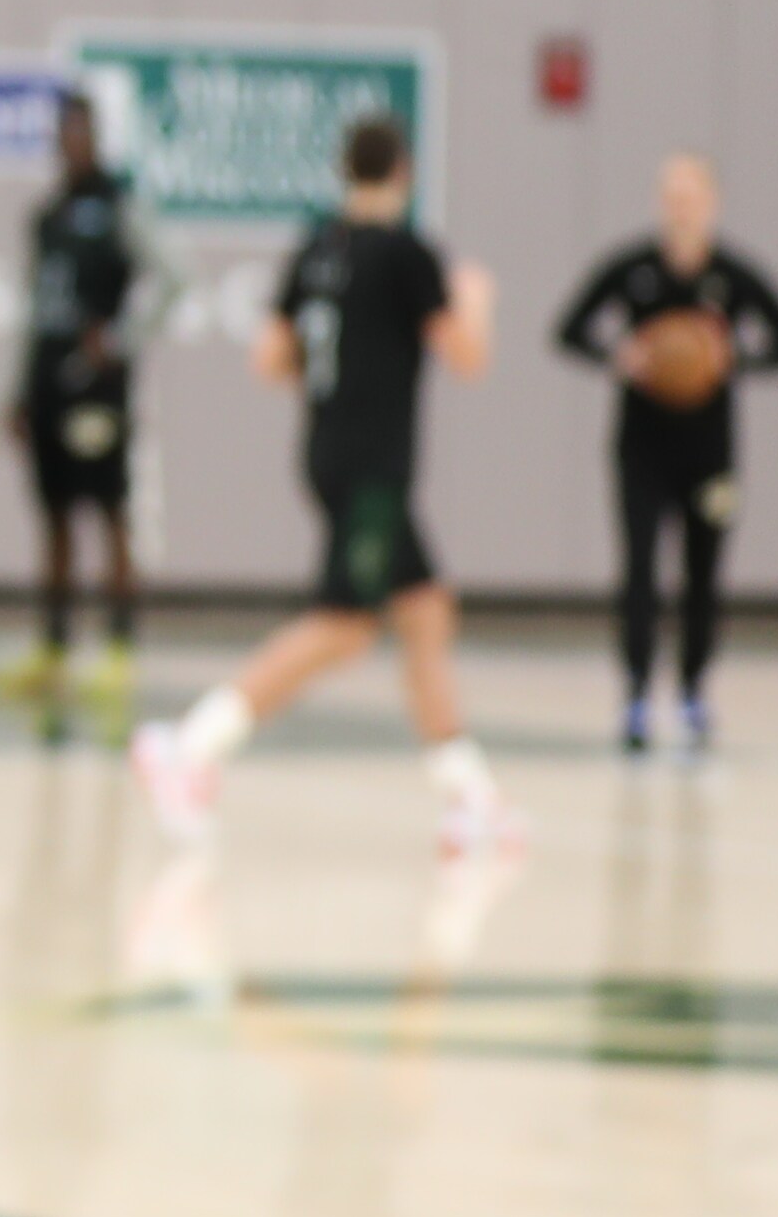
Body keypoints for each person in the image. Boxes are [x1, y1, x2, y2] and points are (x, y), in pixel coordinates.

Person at [132, 114, 507, 855]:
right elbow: (466, 354)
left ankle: (467, 794)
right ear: (403, 170)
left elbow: (271, 359)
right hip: (375, 464)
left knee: (426, 611)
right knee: (345, 624)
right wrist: (477, 299)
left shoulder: (317, 246)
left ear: (344, 170)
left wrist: (339, 372)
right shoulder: (409, 255)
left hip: (326, 449)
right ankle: (192, 743)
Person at [552, 154, 778, 755]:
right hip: (640, 447)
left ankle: (694, 690)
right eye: (671, 194)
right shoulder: (632, 269)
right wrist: (620, 355)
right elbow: (569, 330)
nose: (681, 205)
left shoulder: (733, 276)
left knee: (703, 575)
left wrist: (733, 359)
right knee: (639, 571)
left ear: (712, 202)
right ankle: (637, 696)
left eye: (691, 194)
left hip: (711, 451)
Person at [0, 92, 178, 731]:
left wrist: (120, 338)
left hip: (98, 389)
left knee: (110, 511)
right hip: (47, 383)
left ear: (95, 136)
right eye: (61, 133)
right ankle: (54, 647)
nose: (70, 143)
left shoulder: (120, 206)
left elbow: (176, 275)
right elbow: (32, 308)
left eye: (79, 132)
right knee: (54, 517)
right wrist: (17, 391)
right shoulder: (47, 216)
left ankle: (120, 649)